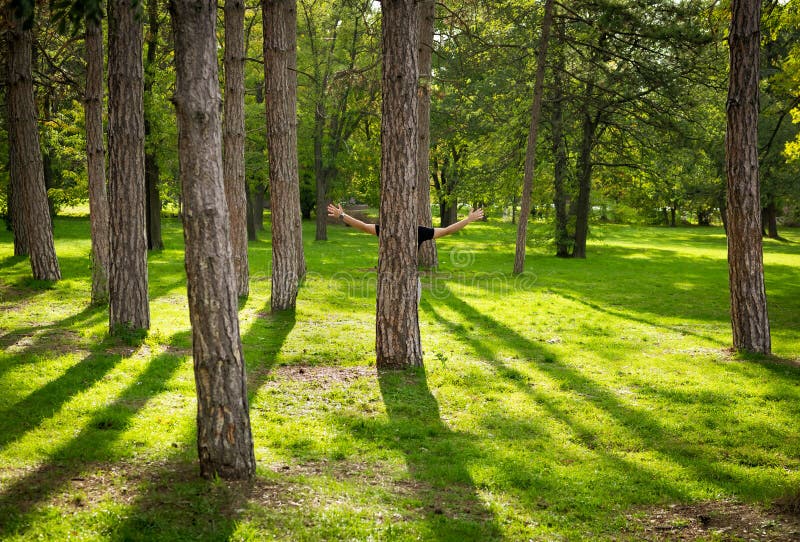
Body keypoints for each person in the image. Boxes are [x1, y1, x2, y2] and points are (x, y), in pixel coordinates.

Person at [326, 203, 484, 302]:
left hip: (412, 280)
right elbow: (363, 226)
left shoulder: (418, 231)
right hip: (389, 279)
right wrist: (343, 216)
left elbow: (446, 231)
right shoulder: (387, 229)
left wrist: (468, 220)